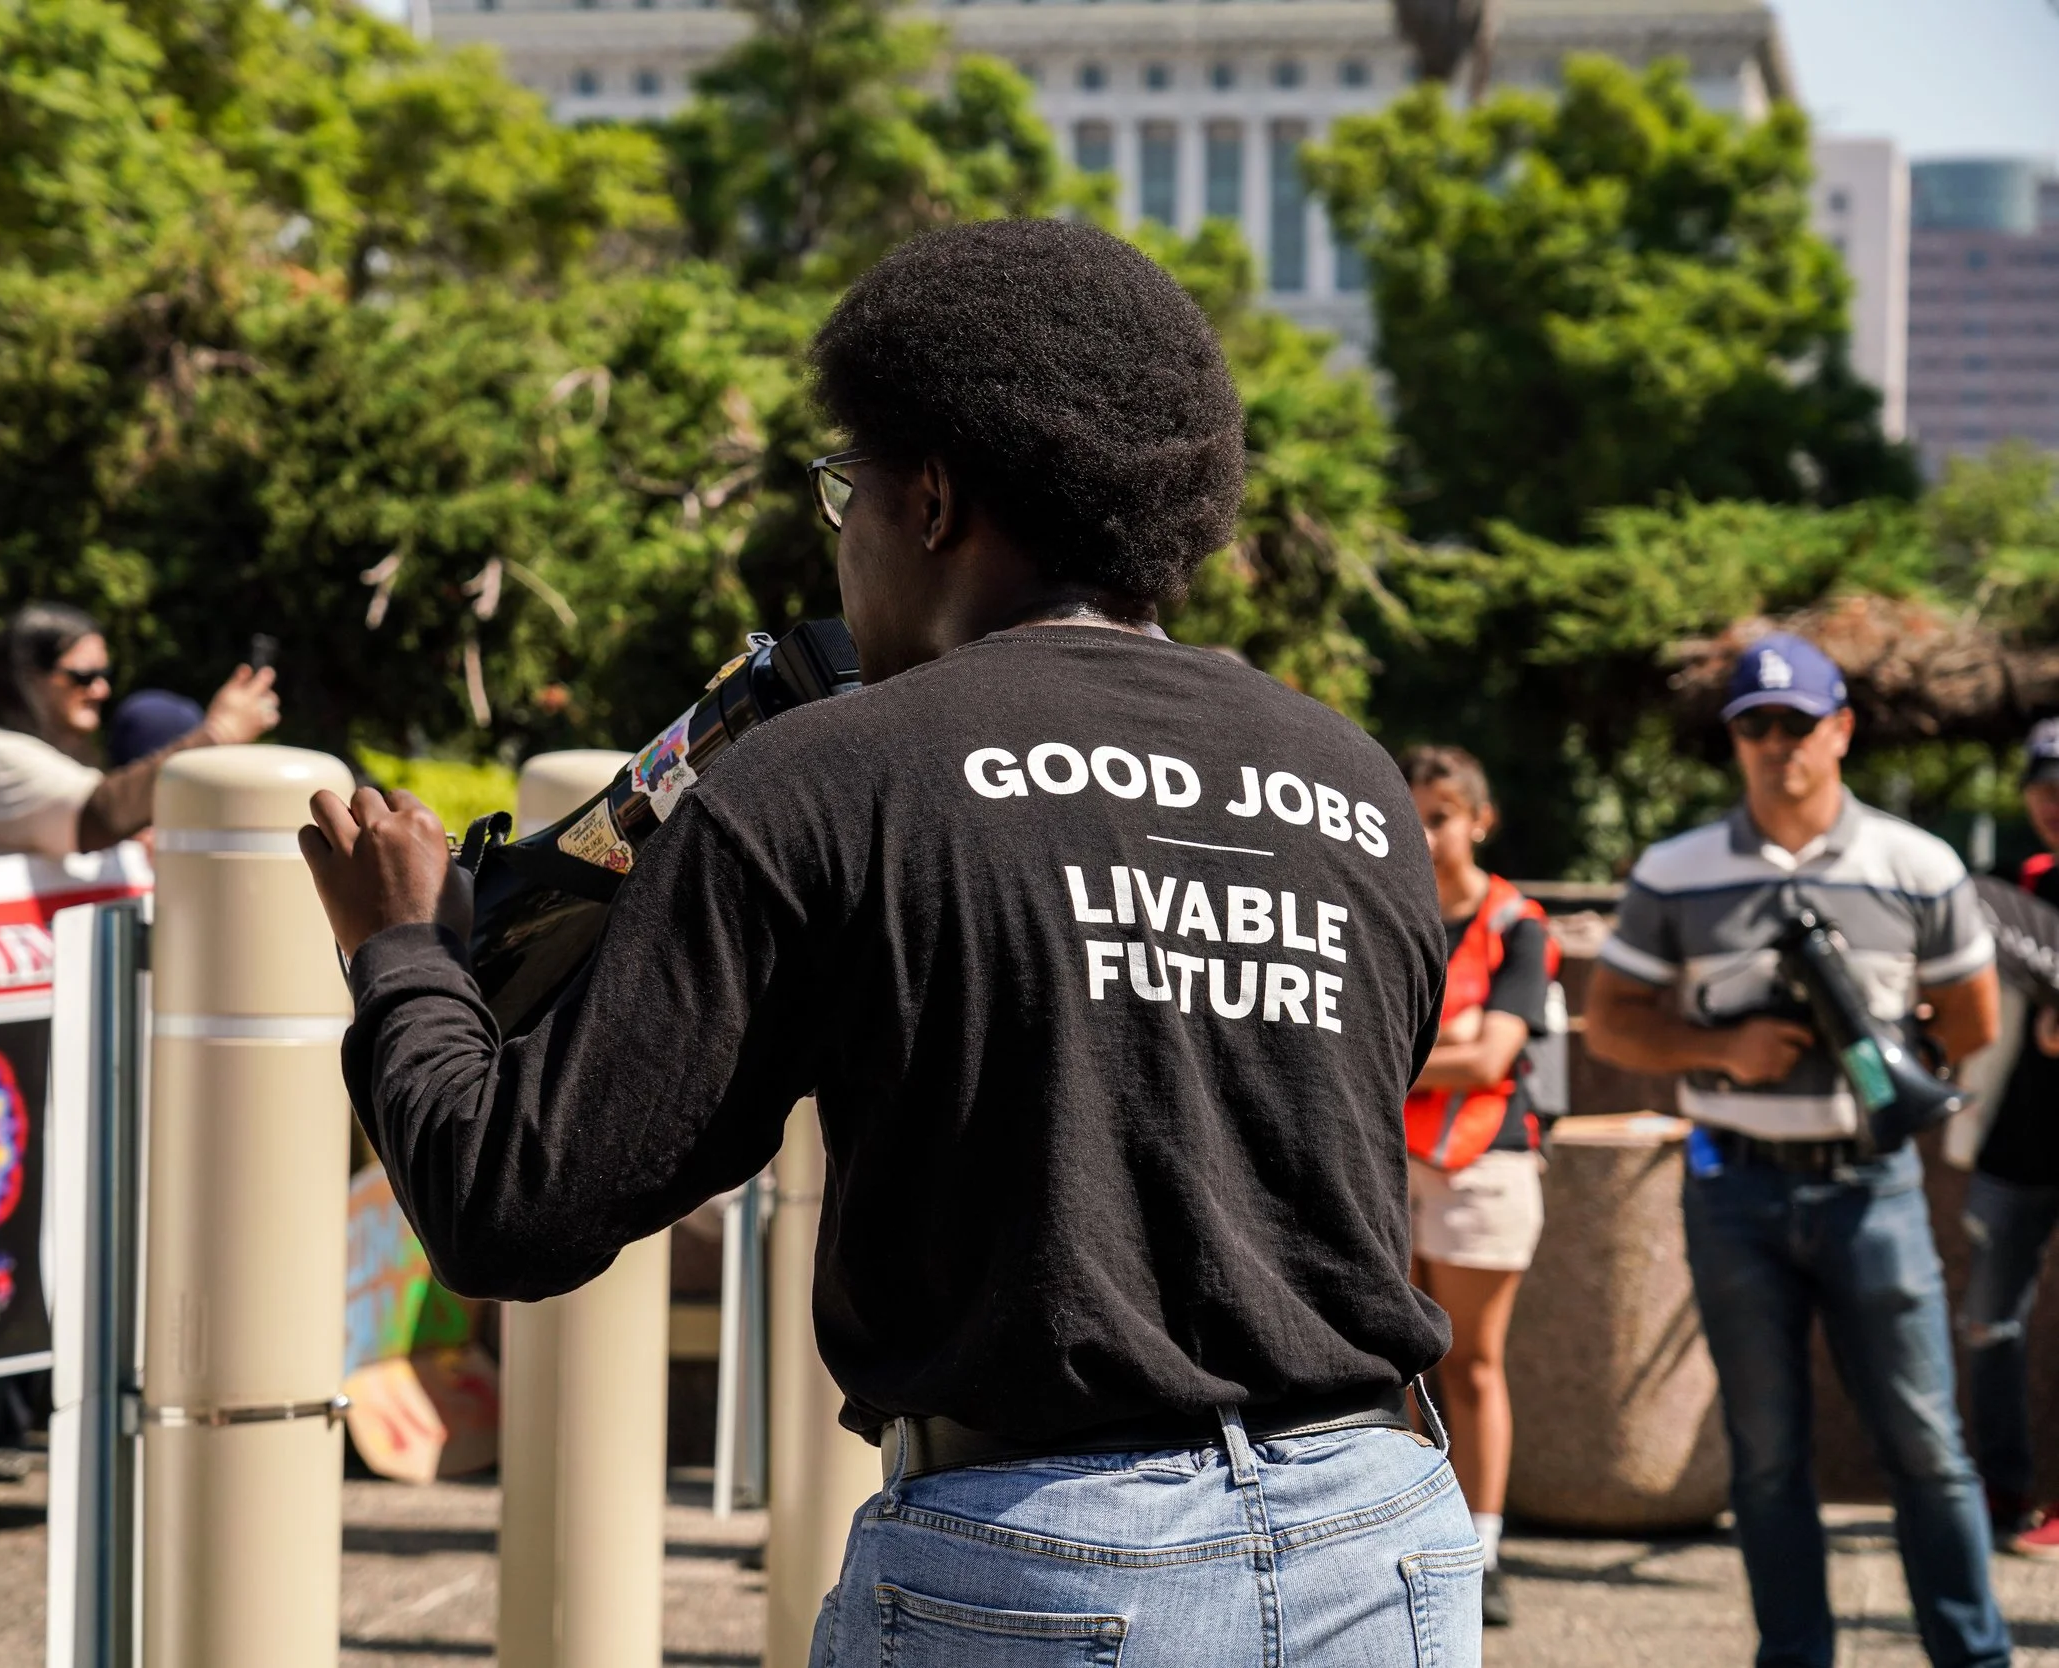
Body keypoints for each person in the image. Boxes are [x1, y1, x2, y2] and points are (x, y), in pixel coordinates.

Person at [304, 220, 1477, 1660]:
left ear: (928, 498)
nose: (841, 532)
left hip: (1046, 1571)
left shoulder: (832, 777)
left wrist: (403, 952)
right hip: (1389, 1535)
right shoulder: (1349, 780)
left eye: (840, 489)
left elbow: (508, 1209)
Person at [1586, 632, 2008, 1668]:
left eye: (1798, 724)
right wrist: (1718, 1046)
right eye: (1754, 727)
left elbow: (1974, 1018)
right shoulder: (1673, 869)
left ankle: (1975, 1656)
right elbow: (1608, 1024)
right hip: (1734, 1188)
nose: (1778, 745)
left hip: (1873, 1185)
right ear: (1733, 742)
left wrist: (1883, 1058)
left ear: (1842, 730)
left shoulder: (1917, 862)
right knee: (1767, 1459)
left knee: (1928, 1450)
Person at [1400, 744, 1559, 1629]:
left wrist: (1413, 1061)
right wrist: (1444, 1056)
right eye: (1412, 815)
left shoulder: (1518, 922)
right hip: (1389, 1161)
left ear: (1479, 821)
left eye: (1441, 818)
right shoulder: (1390, 906)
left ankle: (1484, 1545)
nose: (1424, 836)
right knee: (1399, 1367)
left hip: (1484, 1163)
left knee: (1475, 1363)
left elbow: (1494, 1057)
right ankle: (1416, 1537)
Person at [0, 604, 277, 860]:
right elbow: (101, 815)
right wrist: (218, 733)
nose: (101, 690)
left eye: (105, 674)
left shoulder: (44, 757)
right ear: (29, 677)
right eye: (83, 676)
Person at [1962, 717, 2059, 1558]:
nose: (2055, 801)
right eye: (2044, 784)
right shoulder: (2009, 888)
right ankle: (2001, 1490)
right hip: (2015, 1144)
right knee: (1991, 1324)